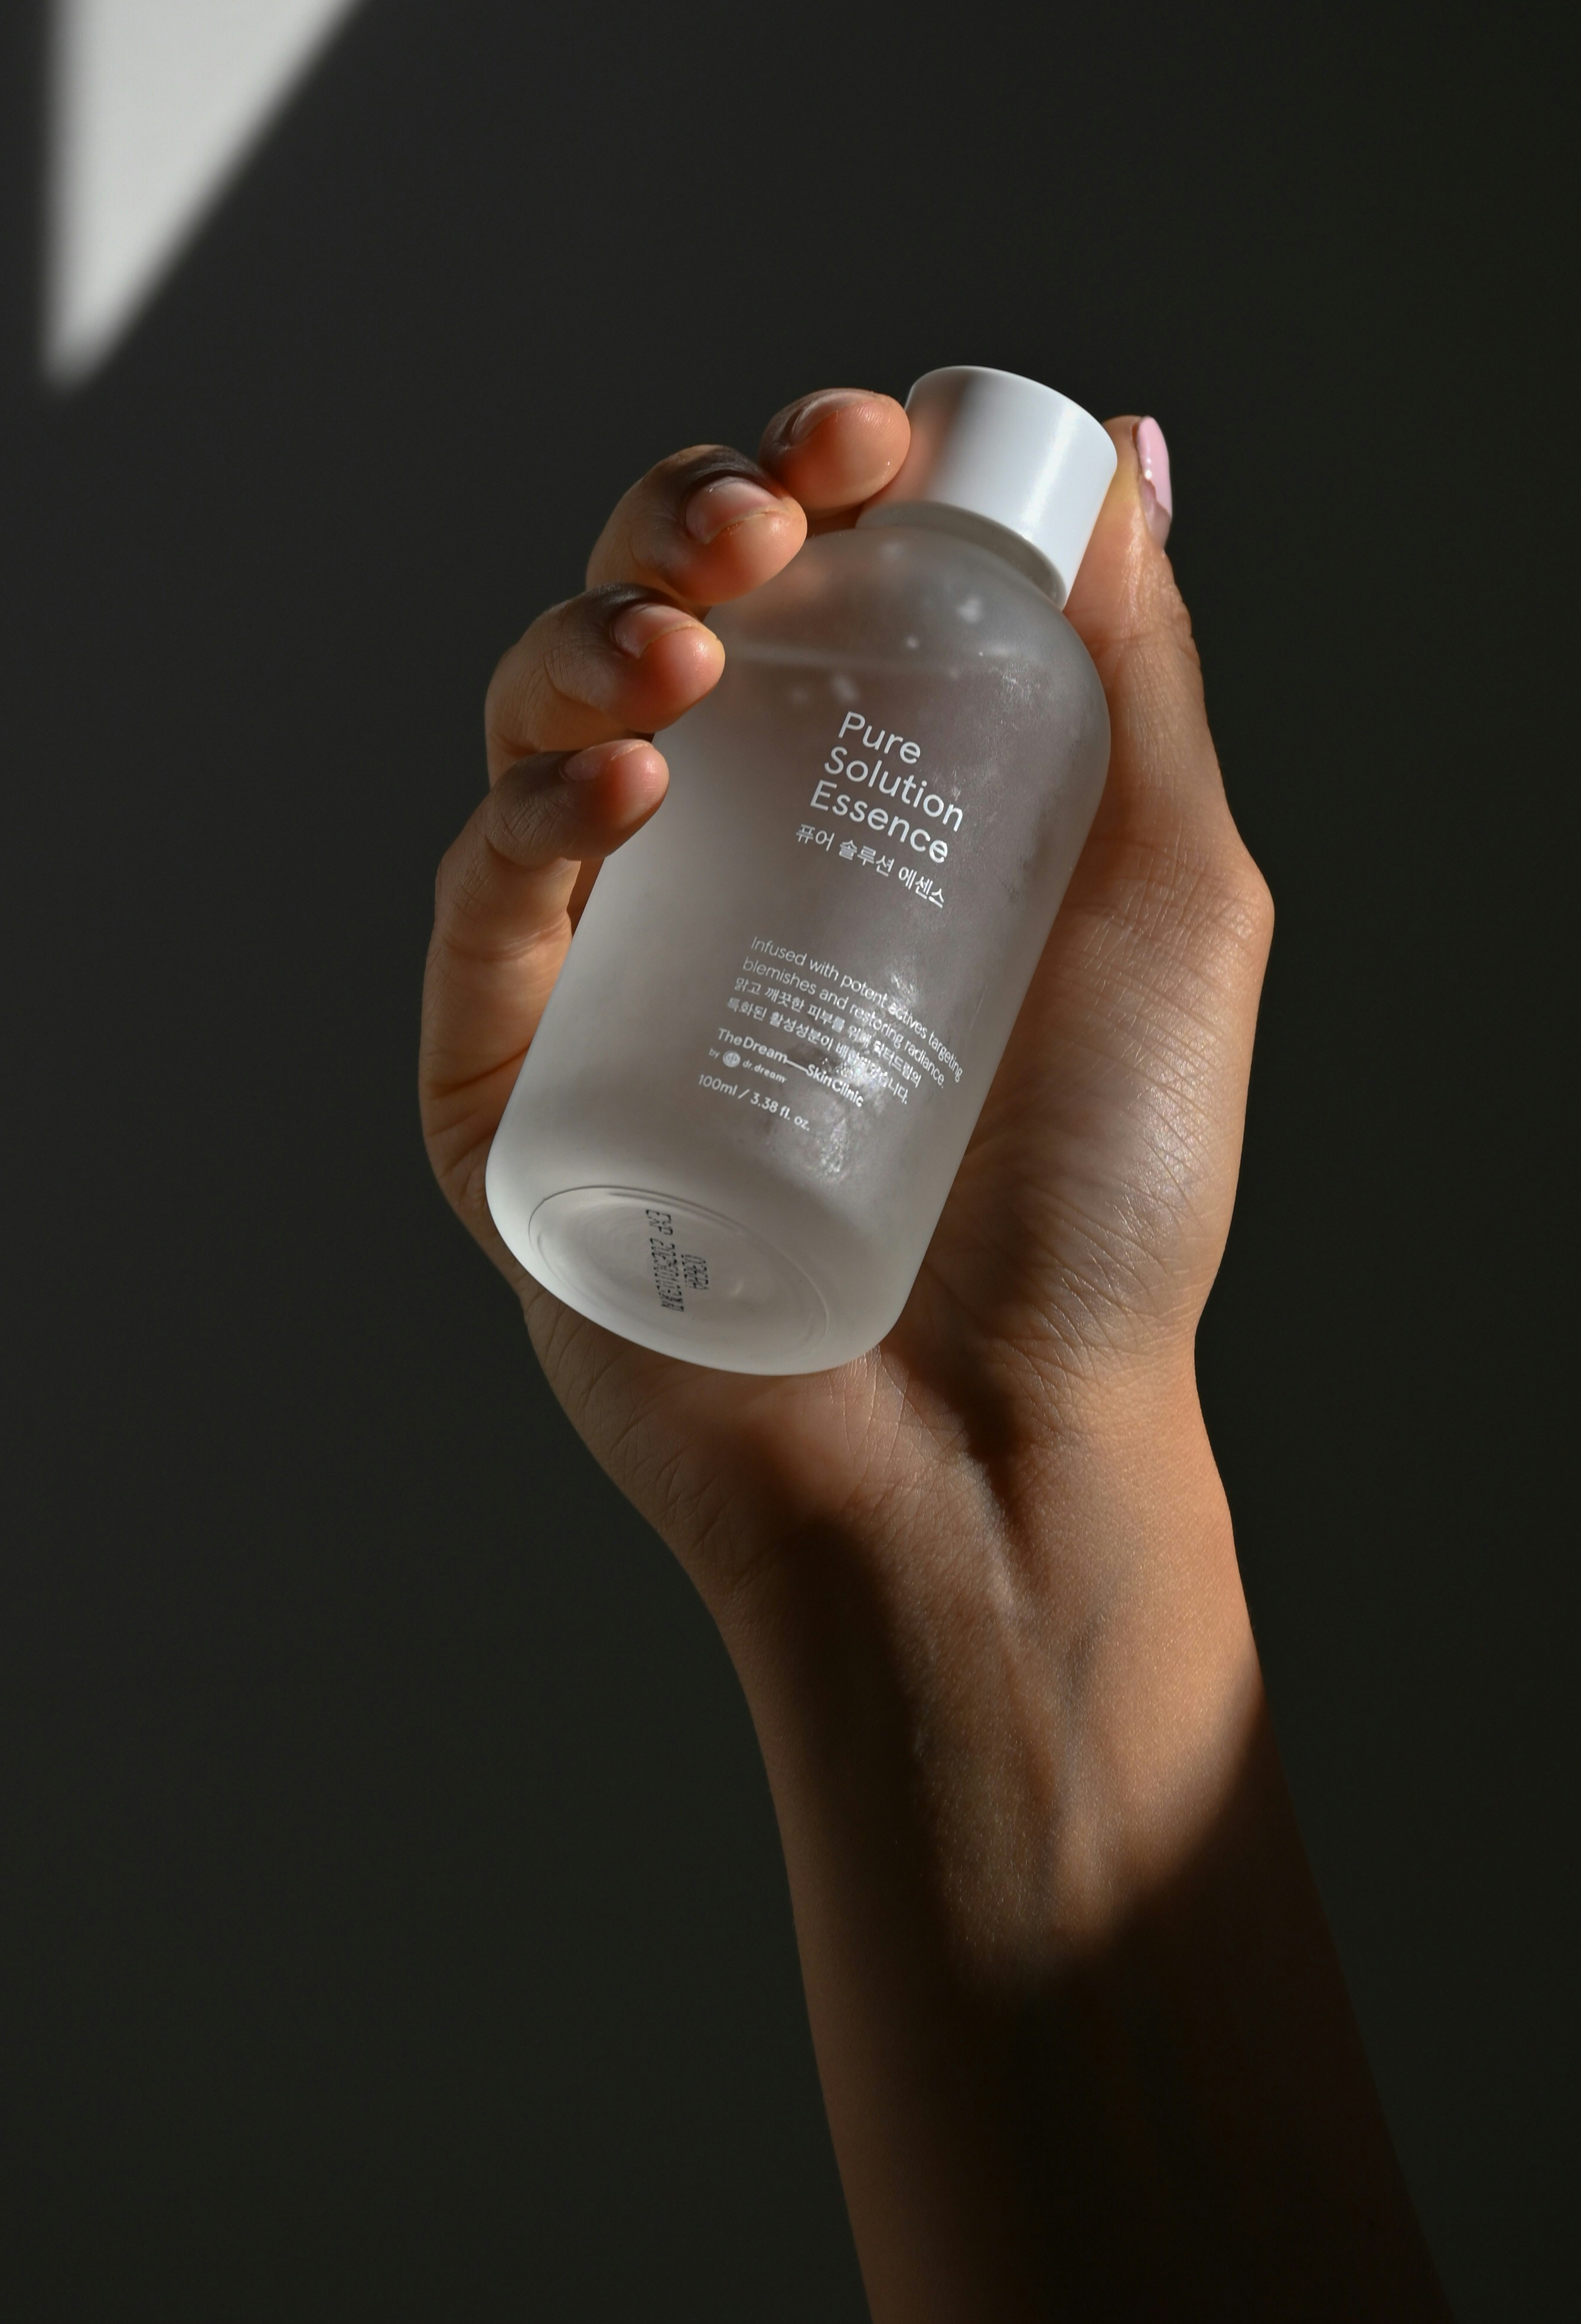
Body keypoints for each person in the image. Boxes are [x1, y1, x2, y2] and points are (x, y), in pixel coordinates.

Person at [419, 389, 1450, 2319]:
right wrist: (938, 1511)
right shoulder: (865, 621)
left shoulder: (1053, 695)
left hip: (851, 1259)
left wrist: (1024, 1428)